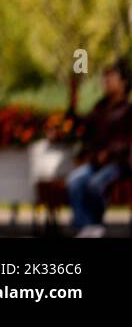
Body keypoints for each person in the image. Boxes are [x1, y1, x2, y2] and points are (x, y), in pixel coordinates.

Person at [64, 59, 132, 237]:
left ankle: (96, 224)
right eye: (104, 78)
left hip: (119, 164)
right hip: (97, 163)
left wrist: (110, 152)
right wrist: (73, 97)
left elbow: (127, 141)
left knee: (95, 184)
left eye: (111, 77)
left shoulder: (127, 110)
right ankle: (86, 226)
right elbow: (80, 125)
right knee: (74, 181)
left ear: (124, 82)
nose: (106, 81)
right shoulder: (99, 108)